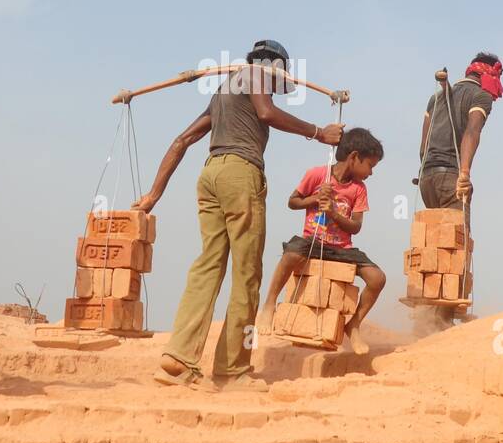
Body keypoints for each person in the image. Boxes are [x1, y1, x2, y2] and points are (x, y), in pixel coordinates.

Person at [131, 40, 343, 390]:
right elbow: (267, 114)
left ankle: (178, 359)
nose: (278, 86)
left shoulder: (224, 90)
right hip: (240, 175)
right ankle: (233, 370)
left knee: (208, 265)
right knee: (247, 273)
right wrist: (319, 133)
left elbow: (181, 140)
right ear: (273, 66)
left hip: (210, 174)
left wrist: (155, 194)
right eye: (280, 78)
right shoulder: (256, 74)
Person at [256, 127, 386, 355]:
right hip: (313, 241)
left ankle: (353, 324)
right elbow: (292, 202)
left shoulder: (359, 189)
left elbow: (356, 226)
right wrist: (316, 198)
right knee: (291, 254)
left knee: (377, 278)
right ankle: (269, 305)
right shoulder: (318, 175)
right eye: (370, 166)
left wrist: (335, 212)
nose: (371, 173)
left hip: (341, 247)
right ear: (354, 157)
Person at [418, 53, 503, 219]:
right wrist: (464, 174)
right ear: (491, 74)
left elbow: (423, 146)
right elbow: (472, 131)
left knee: (434, 240)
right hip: (451, 180)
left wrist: (427, 171)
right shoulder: (480, 95)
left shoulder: (435, 98)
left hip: (426, 179)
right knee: (455, 241)